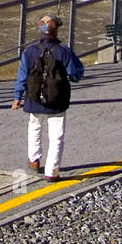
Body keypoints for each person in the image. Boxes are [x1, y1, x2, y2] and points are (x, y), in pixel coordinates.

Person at [12, 15, 84, 182]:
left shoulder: (29, 52)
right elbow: (76, 74)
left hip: (34, 98)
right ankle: (52, 171)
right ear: (55, 31)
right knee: (57, 135)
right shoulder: (64, 51)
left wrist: (17, 97)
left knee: (34, 128)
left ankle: (34, 159)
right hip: (57, 100)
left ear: (40, 31)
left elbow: (22, 76)